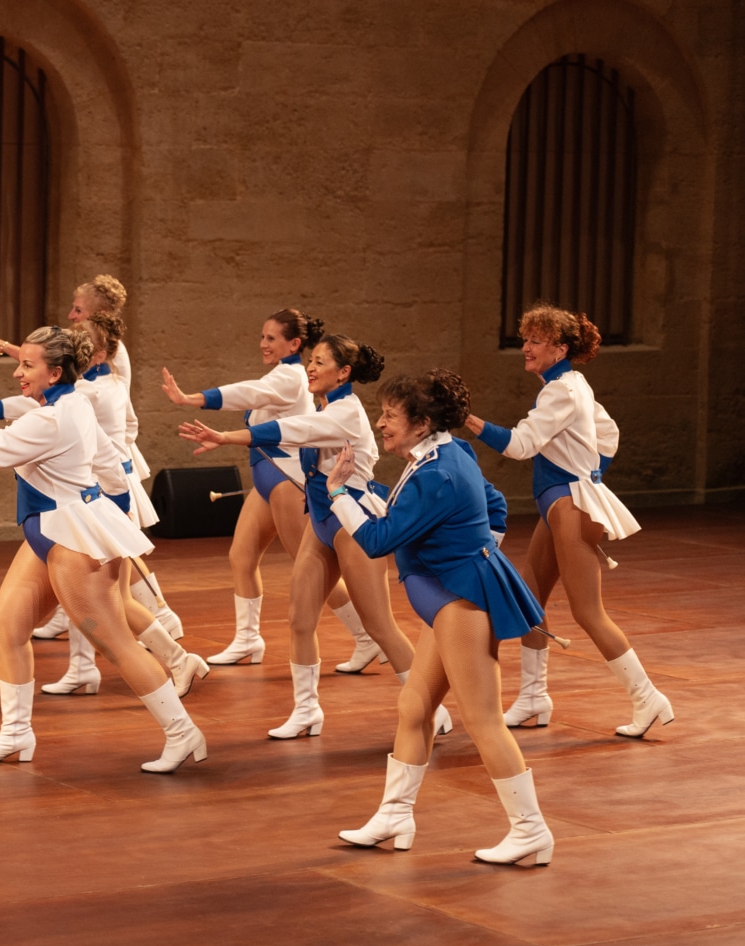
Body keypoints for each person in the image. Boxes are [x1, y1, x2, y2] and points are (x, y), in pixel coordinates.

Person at [0, 326, 208, 771]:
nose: (18, 371)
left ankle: (182, 732)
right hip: (54, 532)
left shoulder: (50, 419)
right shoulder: (74, 402)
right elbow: (110, 463)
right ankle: (16, 734)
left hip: (70, 538)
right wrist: (113, 514)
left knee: (116, 644)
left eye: (27, 365)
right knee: (7, 625)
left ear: (54, 372)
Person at [179, 333, 453, 739]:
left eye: (321, 362)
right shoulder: (327, 404)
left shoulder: (346, 413)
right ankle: (307, 711)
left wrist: (225, 437)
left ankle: (432, 707)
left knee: (379, 626)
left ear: (343, 372)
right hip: (322, 522)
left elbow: (293, 428)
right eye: (311, 360)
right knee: (299, 619)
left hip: (355, 523)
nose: (311, 367)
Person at [333, 370, 553, 866]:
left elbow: (375, 542)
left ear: (422, 422)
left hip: (460, 603)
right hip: (447, 600)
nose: (381, 422)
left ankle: (531, 830)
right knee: (414, 706)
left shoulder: (440, 472)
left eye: (391, 415)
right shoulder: (444, 455)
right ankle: (395, 815)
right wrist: (481, 545)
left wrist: (337, 494)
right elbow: (494, 505)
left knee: (483, 720)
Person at [0, 314, 208, 699]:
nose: (72, 320)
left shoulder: (93, 392)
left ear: (94, 353)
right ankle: (169, 660)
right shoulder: (84, 391)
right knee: (111, 601)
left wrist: (2, 355)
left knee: (99, 606)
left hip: (94, 498)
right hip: (99, 492)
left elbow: (23, 409)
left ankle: (138, 667)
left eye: (81, 325)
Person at [467, 304, 672, 737]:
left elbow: (521, 445)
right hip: (561, 503)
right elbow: (610, 432)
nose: (526, 347)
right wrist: (592, 470)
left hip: (569, 506)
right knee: (529, 599)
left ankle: (647, 698)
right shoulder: (573, 385)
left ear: (560, 348)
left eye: (535, 341)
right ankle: (533, 698)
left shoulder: (561, 390)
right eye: (525, 339)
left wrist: (468, 420)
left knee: (588, 612)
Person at [162, 308, 388, 672]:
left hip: (286, 482)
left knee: (311, 570)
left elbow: (250, 393)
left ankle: (365, 636)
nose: (263, 343)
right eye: (263, 336)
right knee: (241, 556)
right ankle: (248, 639)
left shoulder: (292, 377)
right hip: (266, 482)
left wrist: (194, 399)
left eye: (271, 338)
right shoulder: (287, 376)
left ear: (293, 343)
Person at [0, 275, 183, 639]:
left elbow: (61, 380)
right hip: (97, 461)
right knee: (103, 568)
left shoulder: (100, 378)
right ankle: (92, 626)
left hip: (101, 469)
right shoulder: (90, 375)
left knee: (115, 565)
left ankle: (161, 623)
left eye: (79, 310)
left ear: (99, 319)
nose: (71, 315)